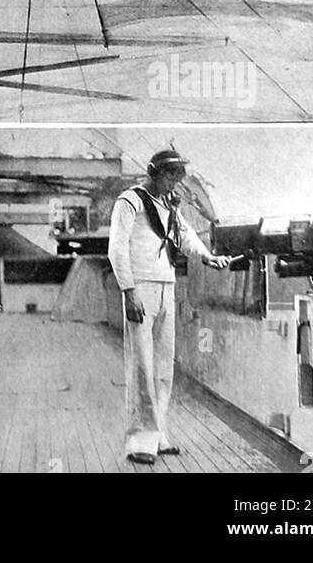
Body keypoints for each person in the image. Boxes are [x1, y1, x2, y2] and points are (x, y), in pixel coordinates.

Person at [107, 148, 230, 465]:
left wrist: (207, 256)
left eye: (178, 177)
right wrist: (129, 291)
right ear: (153, 171)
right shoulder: (130, 201)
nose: (175, 182)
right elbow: (117, 249)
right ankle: (139, 442)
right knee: (142, 365)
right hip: (141, 287)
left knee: (163, 367)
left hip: (166, 286)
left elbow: (184, 235)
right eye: (170, 176)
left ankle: (158, 434)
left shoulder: (169, 204)